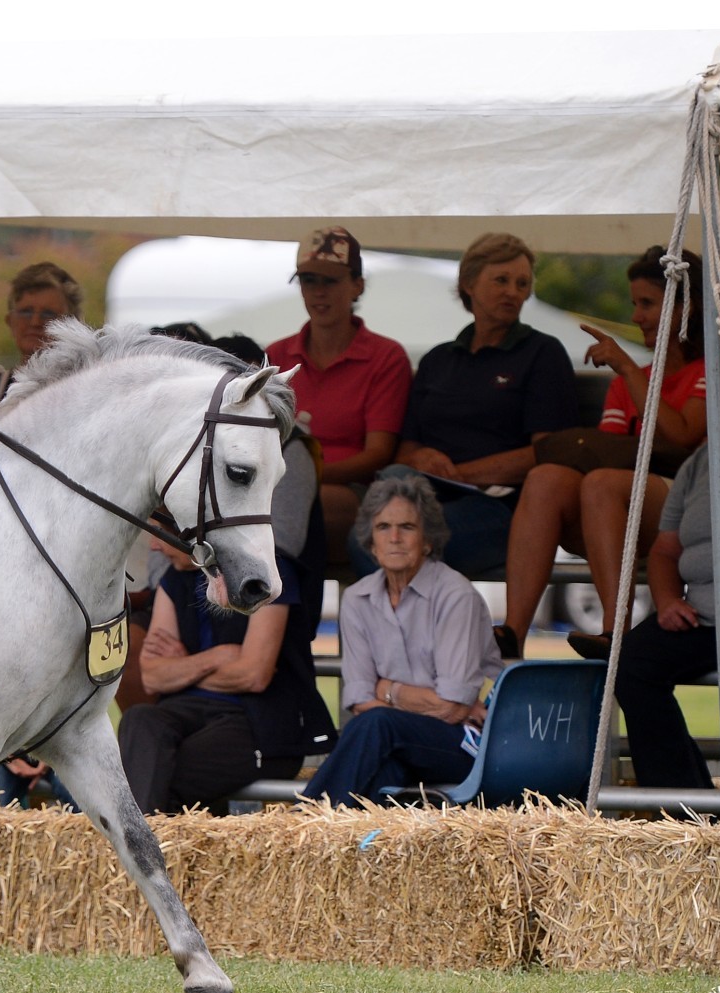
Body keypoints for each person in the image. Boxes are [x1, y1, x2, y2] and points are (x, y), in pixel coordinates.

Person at [115, 333, 336, 816]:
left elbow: (255, 675)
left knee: (158, 772)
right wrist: (218, 657)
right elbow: (152, 675)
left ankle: (138, 849)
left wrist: (189, 668)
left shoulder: (267, 574)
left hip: (261, 721)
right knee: (139, 726)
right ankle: (150, 847)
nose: (153, 544)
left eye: (162, 532)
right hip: (197, 712)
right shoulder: (177, 582)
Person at [495, 247, 707, 660]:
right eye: (634, 304)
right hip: (625, 509)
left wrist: (629, 370)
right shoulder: (632, 380)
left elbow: (682, 437)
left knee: (602, 483)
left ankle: (616, 633)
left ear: (687, 308)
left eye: (647, 304)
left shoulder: (709, 370)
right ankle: (512, 632)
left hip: (691, 506)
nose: (635, 316)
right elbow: (609, 452)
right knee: (547, 479)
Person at [362, 232, 579, 578]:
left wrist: (461, 474)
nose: (513, 292)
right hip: (425, 496)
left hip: (502, 505)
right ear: (468, 283)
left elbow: (549, 452)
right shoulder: (438, 360)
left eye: (522, 283)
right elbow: (405, 450)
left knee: (391, 541)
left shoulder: (541, 353)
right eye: (501, 280)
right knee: (391, 489)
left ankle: (401, 630)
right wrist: (422, 458)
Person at [302, 476, 504, 808]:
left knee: (379, 725)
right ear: (370, 542)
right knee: (383, 773)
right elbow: (358, 700)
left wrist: (387, 690)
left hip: (471, 743)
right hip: (400, 744)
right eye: (383, 527)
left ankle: (307, 820)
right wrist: (409, 701)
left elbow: (453, 707)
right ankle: (351, 849)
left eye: (407, 527)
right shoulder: (357, 598)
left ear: (427, 541)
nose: (394, 538)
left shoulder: (456, 595)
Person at [266, 227, 412, 565]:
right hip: (281, 486)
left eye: (330, 281)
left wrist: (298, 476)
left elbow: (378, 455)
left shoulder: (386, 357)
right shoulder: (277, 353)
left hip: (356, 493)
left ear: (357, 285)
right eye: (308, 280)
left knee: (301, 506)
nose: (318, 292)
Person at [611, 447, 717, 792]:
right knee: (633, 663)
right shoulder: (699, 460)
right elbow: (665, 551)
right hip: (704, 615)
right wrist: (669, 601)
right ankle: (685, 809)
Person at [0, 262, 84, 401]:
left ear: (72, 325)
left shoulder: (83, 389)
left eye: (48, 314)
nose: (35, 322)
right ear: (10, 321)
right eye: (26, 312)